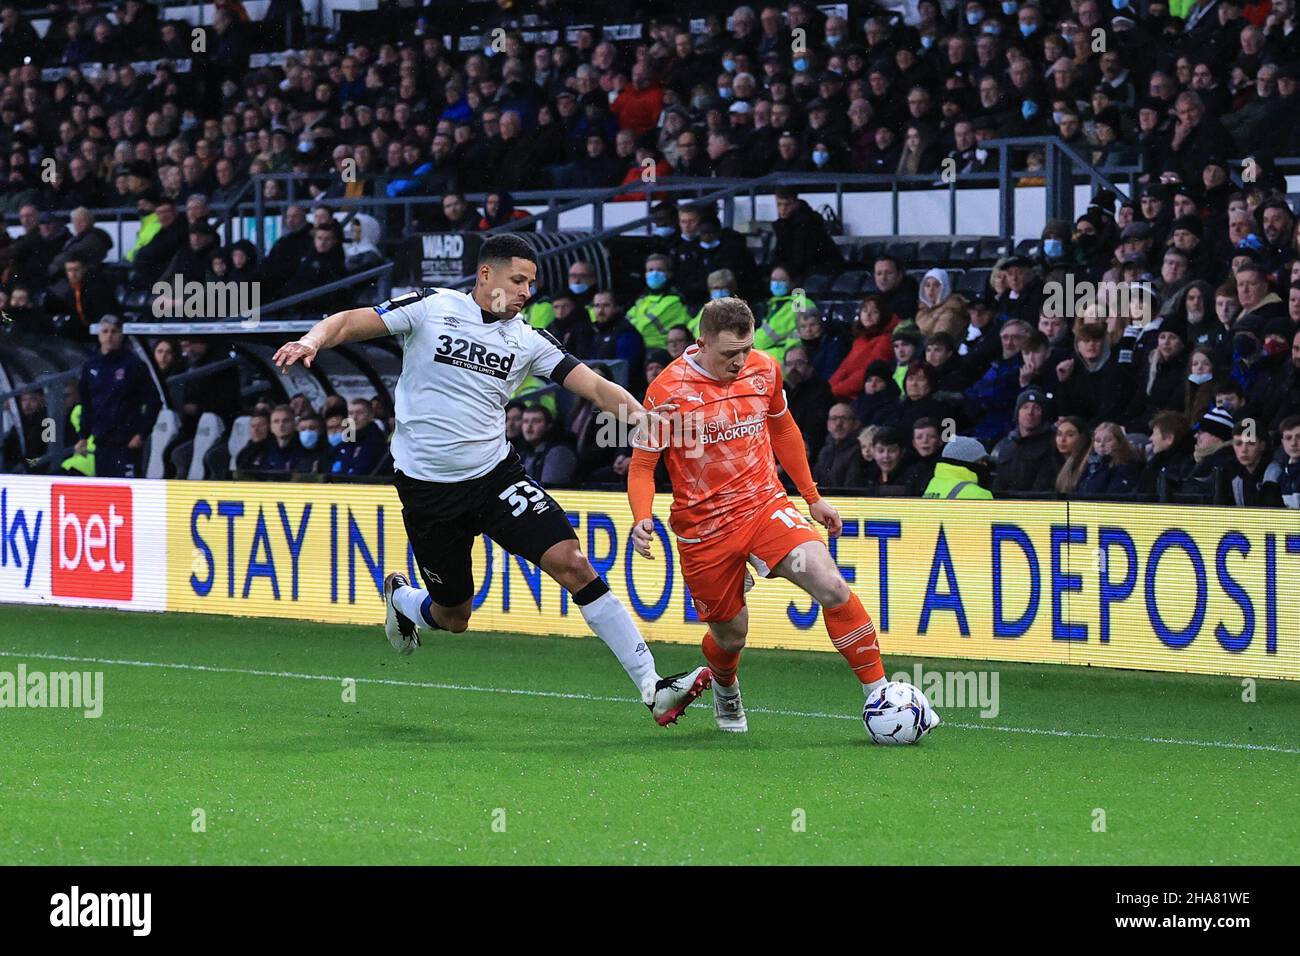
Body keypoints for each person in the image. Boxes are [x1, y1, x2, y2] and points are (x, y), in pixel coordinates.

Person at [273, 234, 710, 728]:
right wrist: (311, 340)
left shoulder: (527, 338)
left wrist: (644, 419)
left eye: (532, 284)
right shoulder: (431, 307)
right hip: (428, 490)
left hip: (495, 477)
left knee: (574, 562)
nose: (527, 292)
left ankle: (653, 688)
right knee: (454, 616)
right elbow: (352, 321)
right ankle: (401, 599)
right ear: (486, 275)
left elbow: (593, 385)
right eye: (518, 280)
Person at [628, 297, 938, 736]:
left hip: (764, 506)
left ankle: (881, 694)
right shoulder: (667, 390)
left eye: (746, 349)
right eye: (729, 353)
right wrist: (642, 516)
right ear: (701, 343)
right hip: (705, 529)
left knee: (830, 584)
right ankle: (726, 686)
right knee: (731, 636)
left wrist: (812, 497)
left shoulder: (763, 369)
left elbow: (784, 428)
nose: (740, 361)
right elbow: (643, 465)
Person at [75, 315, 160, 478]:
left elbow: (153, 401)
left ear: (122, 335)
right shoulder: (90, 366)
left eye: (114, 331)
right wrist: (83, 436)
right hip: (101, 442)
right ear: (99, 335)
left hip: (127, 442)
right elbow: (87, 404)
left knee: (129, 490)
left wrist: (142, 433)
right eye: (105, 331)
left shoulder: (134, 365)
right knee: (105, 490)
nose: (109, 336)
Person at [921, 435, 994, 499]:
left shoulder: (933, 484)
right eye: (981, 461)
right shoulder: (979, 495)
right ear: (969, 462)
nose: (985, 465)